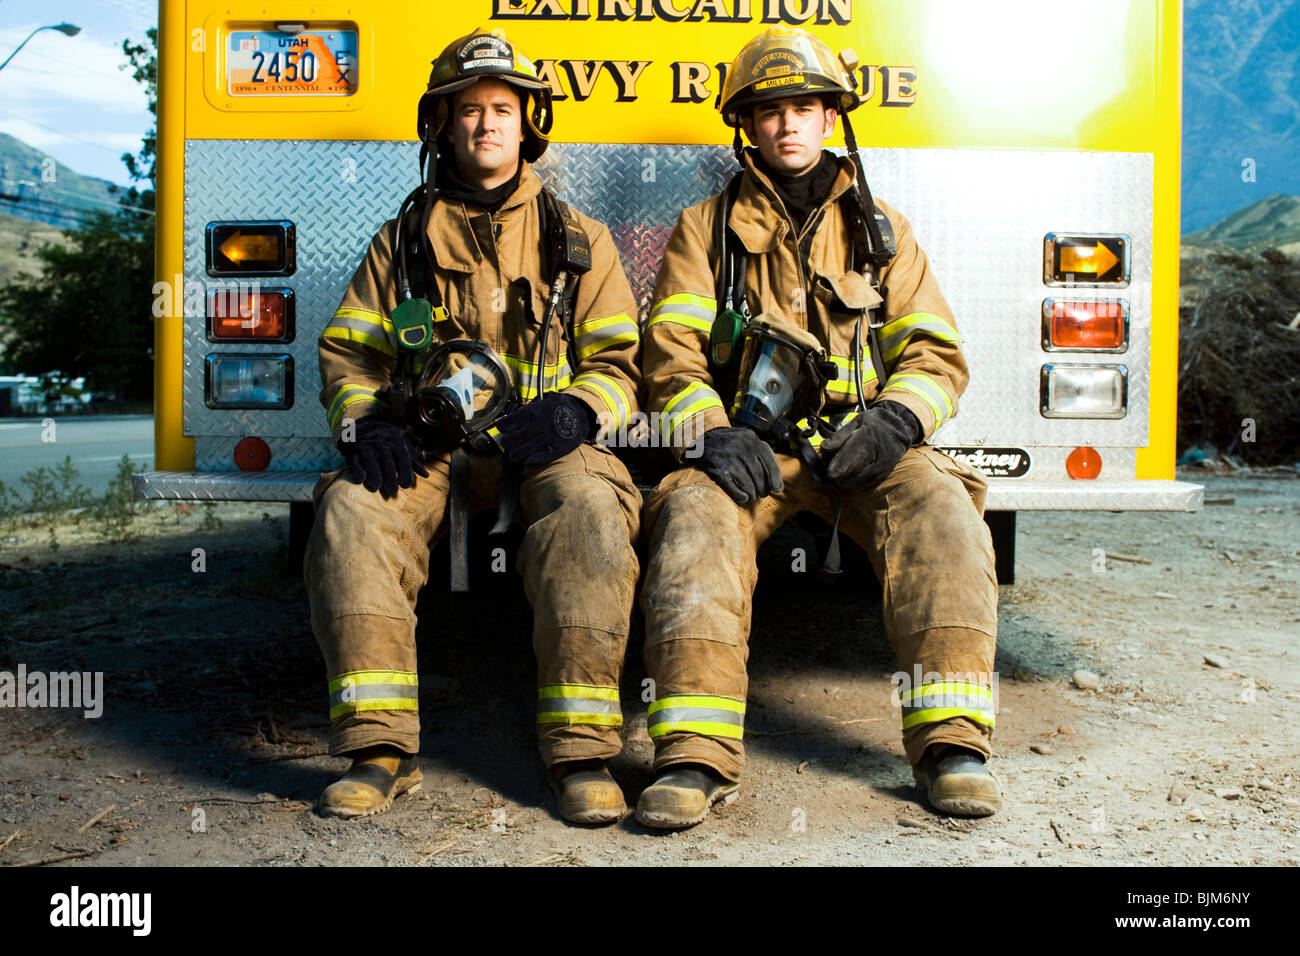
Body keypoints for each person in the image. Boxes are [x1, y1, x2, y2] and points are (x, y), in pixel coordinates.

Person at [635, 25, 1001, 828]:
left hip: (863, 450)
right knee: (693, 515)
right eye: (771, 111)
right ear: (746, 125)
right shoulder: (705, 230)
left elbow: (935, 353)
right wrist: (709, 432)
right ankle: (693, 757)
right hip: (752, 454)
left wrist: (898, 423)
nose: (789, 124)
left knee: (943, 510)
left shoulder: (883, 233)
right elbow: (669, 352)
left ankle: (952, 746)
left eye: (806, 107)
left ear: (832, 119)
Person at [303, 28, 643, 825]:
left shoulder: (581, 240)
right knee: (353, 512)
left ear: (529, 123)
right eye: (468, 110)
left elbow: (621, 364)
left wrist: (577, 409)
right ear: (442, 126)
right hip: (429, 449)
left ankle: (581, 753)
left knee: (593, 515)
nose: (487, 124)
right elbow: (348, 354)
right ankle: (378, 749)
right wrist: (363, 426)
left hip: (545, 445)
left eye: (503, 108)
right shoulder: (400, 243)